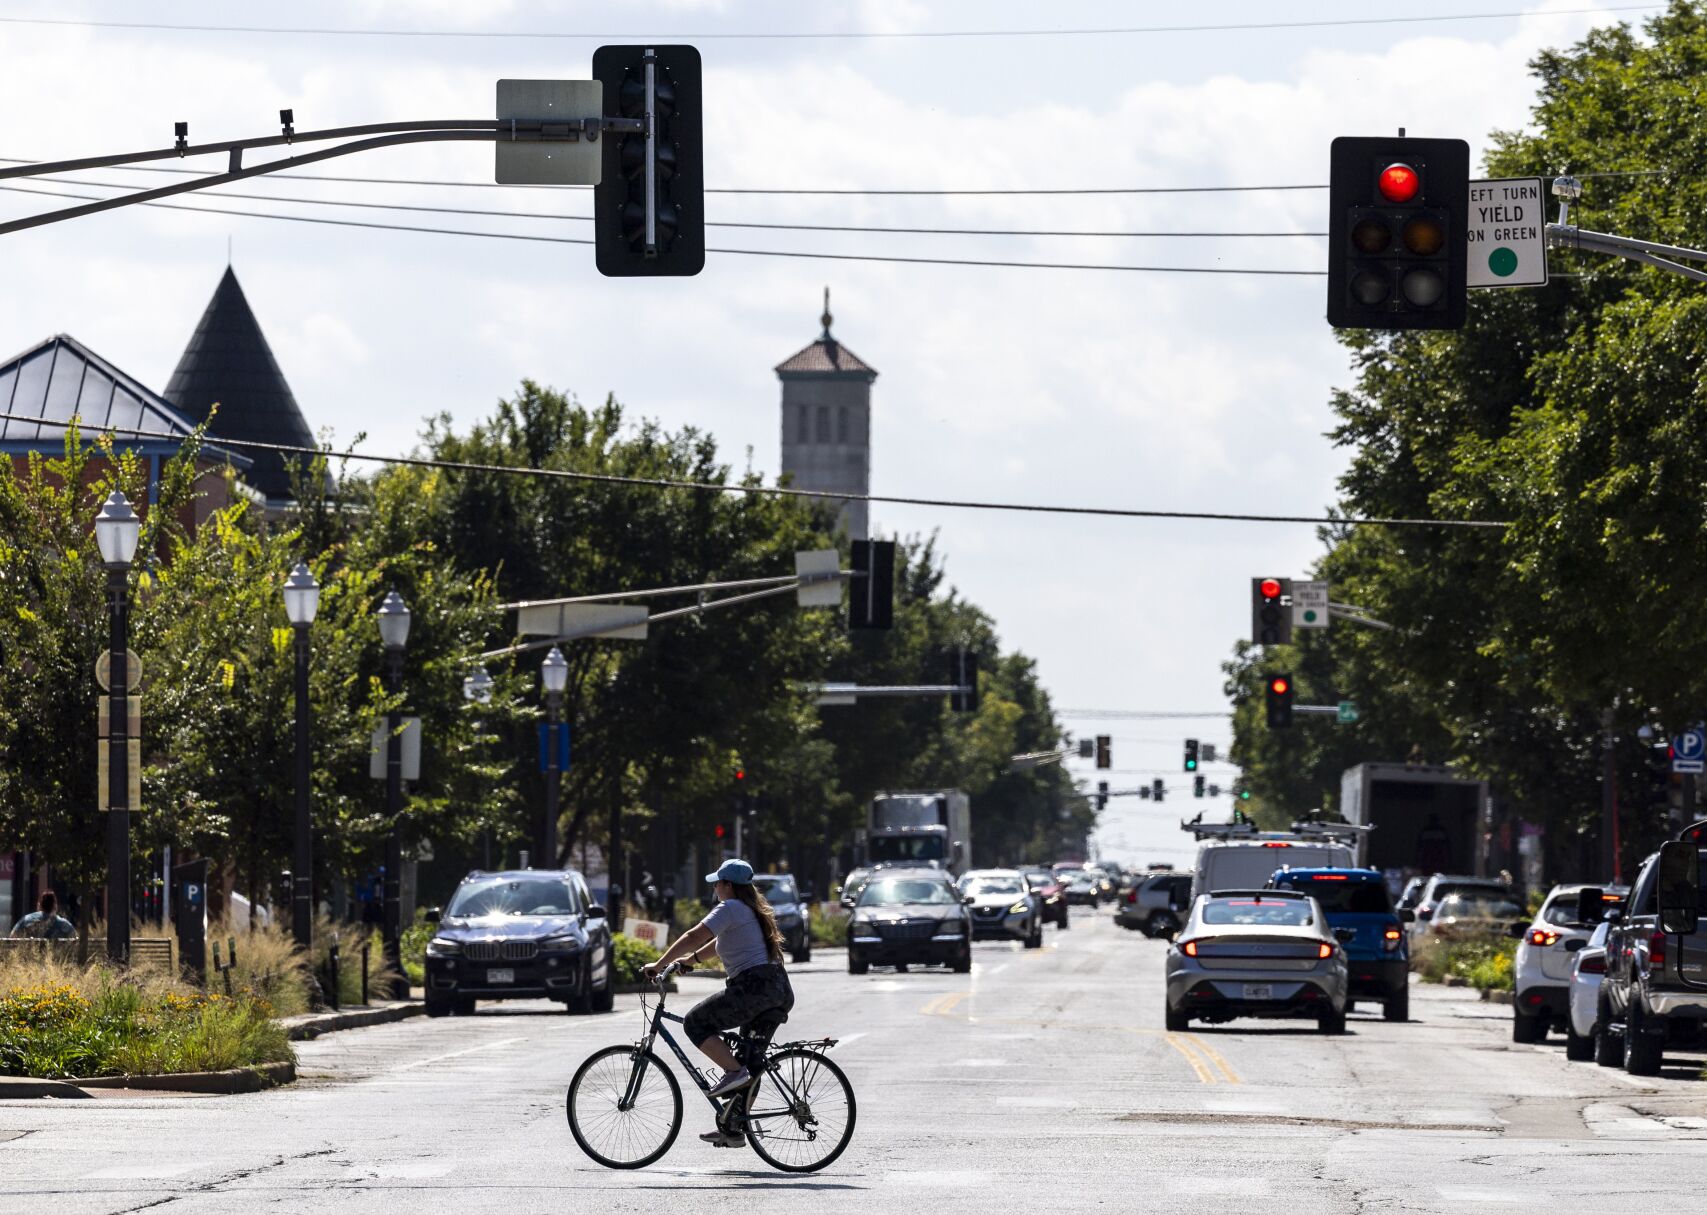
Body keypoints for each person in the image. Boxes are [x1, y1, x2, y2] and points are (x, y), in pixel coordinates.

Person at [642, 859, 794, 1148]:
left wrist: (659, 963)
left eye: (718, 883)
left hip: (754, 988)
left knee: (696, 1022)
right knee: (750, 1062)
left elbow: (694, 935)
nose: (714, 887)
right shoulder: (750, 911)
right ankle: (734, 1128)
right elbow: (715, 944)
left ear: (729, 886)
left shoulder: (731, 908)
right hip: (776, 990)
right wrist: (689, 961)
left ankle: (734, 1073)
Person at [10, 891, 75, 939]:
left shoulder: (26, 919)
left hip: (29, 956)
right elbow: (75, 939)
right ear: (55, 906)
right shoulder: (63, 924)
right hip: (57, 957)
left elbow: (12, 936)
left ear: (39, 905)